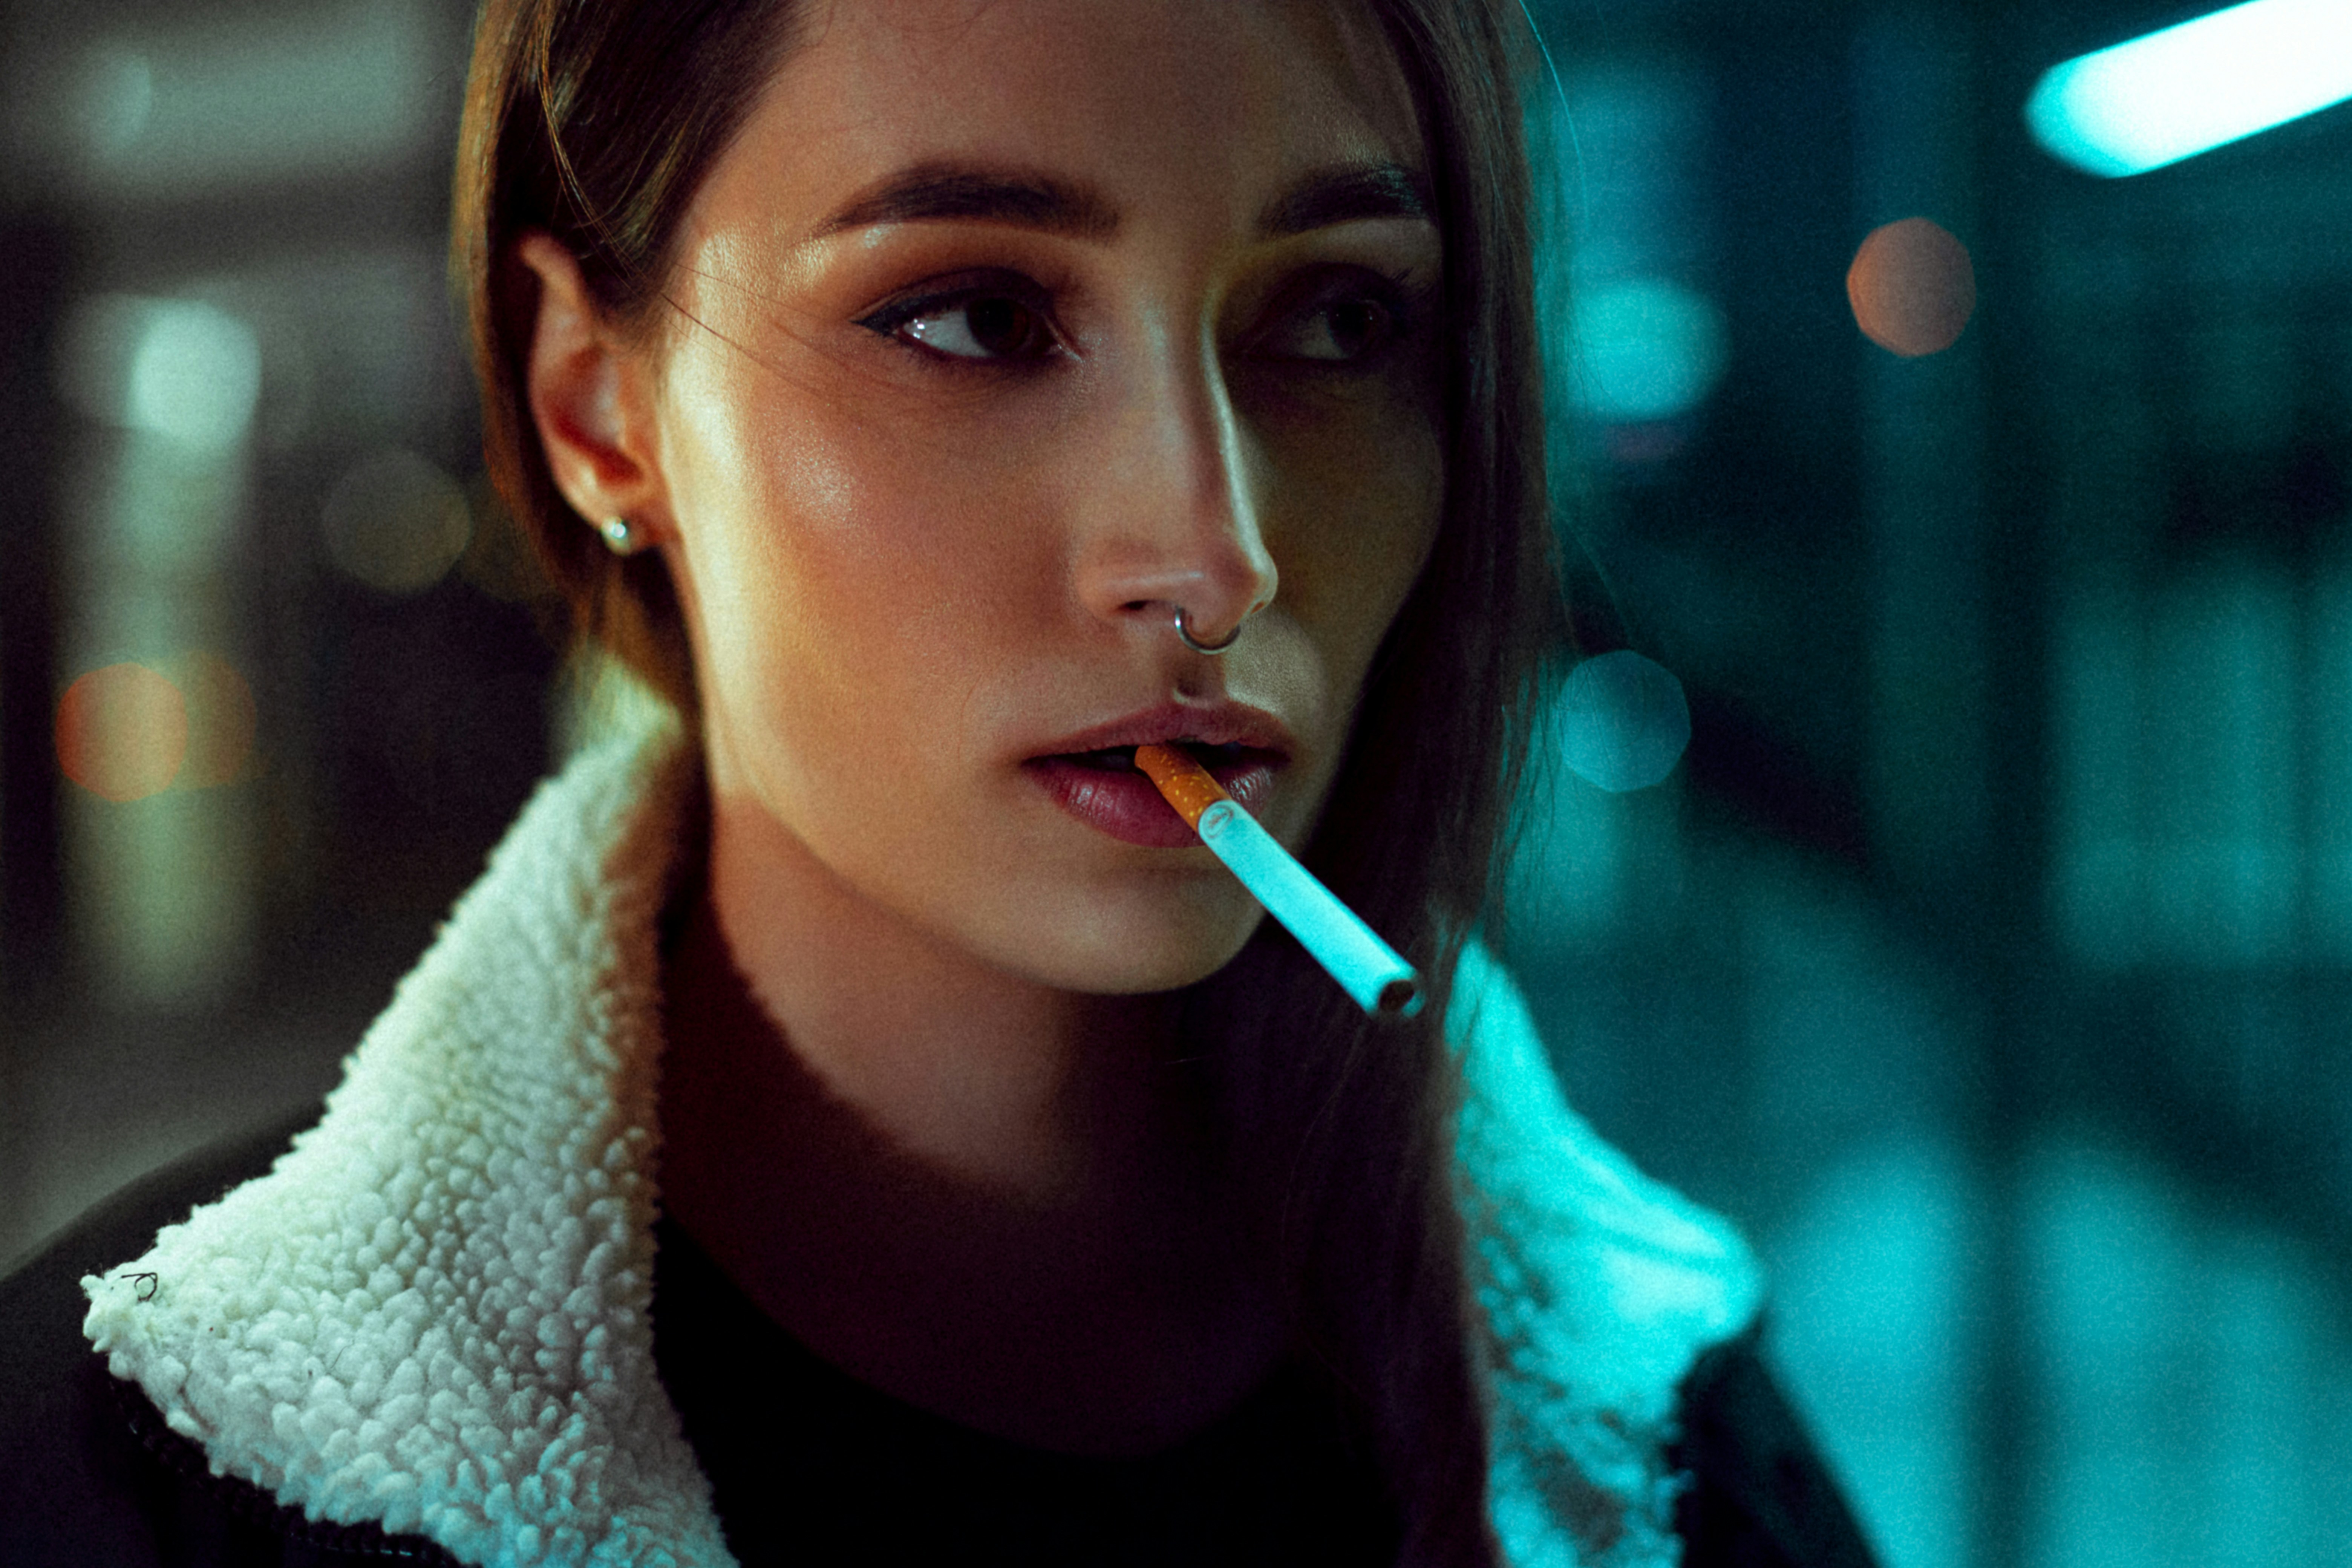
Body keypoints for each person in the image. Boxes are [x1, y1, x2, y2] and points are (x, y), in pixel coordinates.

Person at [0, 2, 1879, 1564]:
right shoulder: (147, 1474)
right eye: (977, 316)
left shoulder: (1668, 1430)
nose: (1212, 555)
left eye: (1337, 320)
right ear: (597, 404)